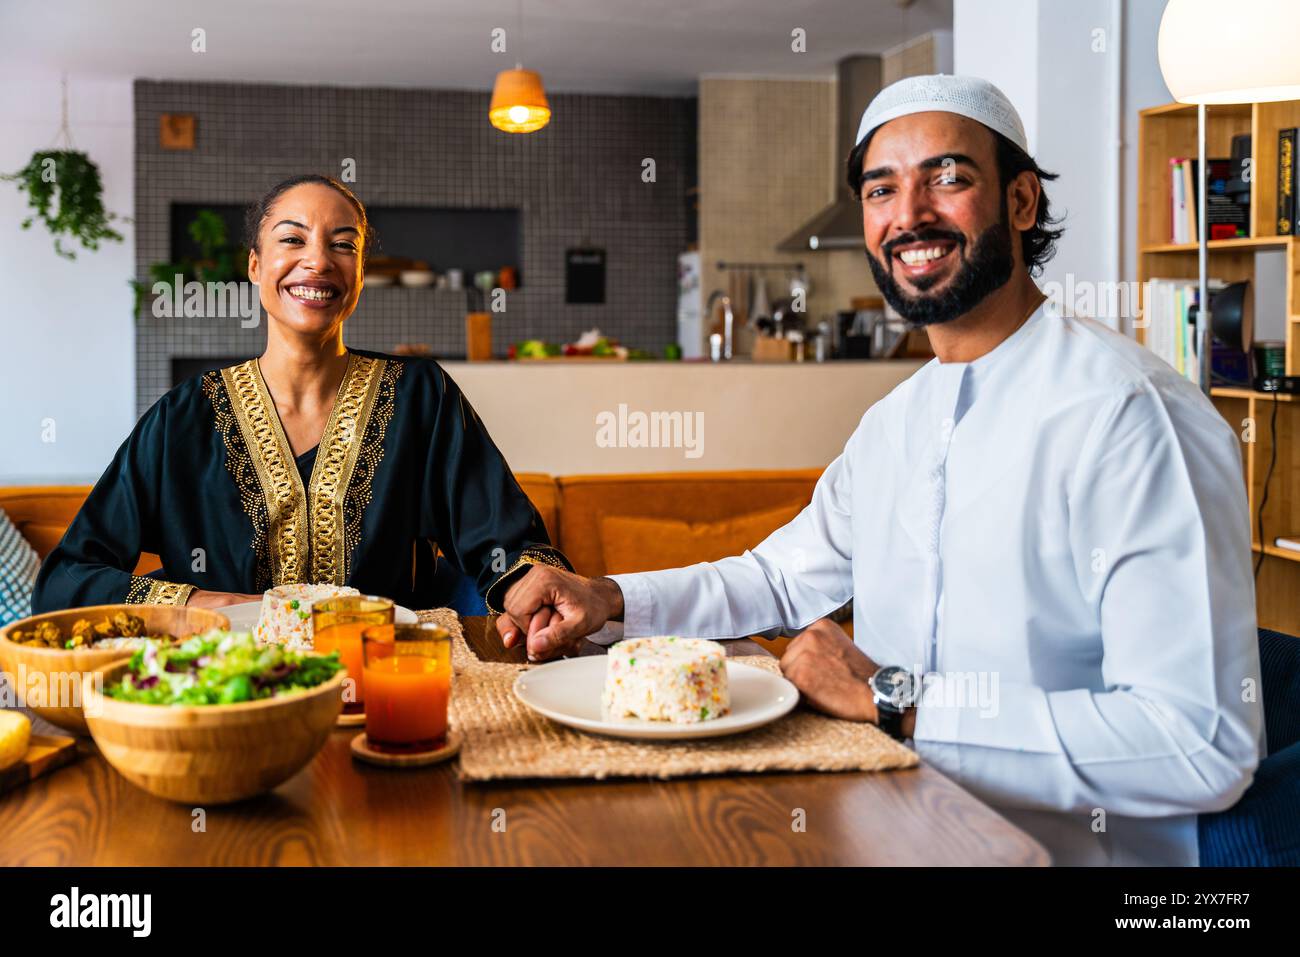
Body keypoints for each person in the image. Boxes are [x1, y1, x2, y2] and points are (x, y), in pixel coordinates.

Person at [495, 75, 1263, 866]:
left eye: (949, 177)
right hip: (878, 830)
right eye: (881, 188)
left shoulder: (1131, 416)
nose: (910, 214)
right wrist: (608, 596)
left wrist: (899, 702)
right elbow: (780, 580)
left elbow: (1198, 741)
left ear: (1022, 201)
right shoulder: (894, 423)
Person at [33, 174, 568, 616]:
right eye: (293, 240)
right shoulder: (184, 417)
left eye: (343, 244)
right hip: (230, 697)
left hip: (386, 686)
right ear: (255, 267)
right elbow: (67, 580)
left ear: (358, 274)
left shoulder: (421, 397)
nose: (318, 261)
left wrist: (531, 589)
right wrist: (196, 602)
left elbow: (506, 545)